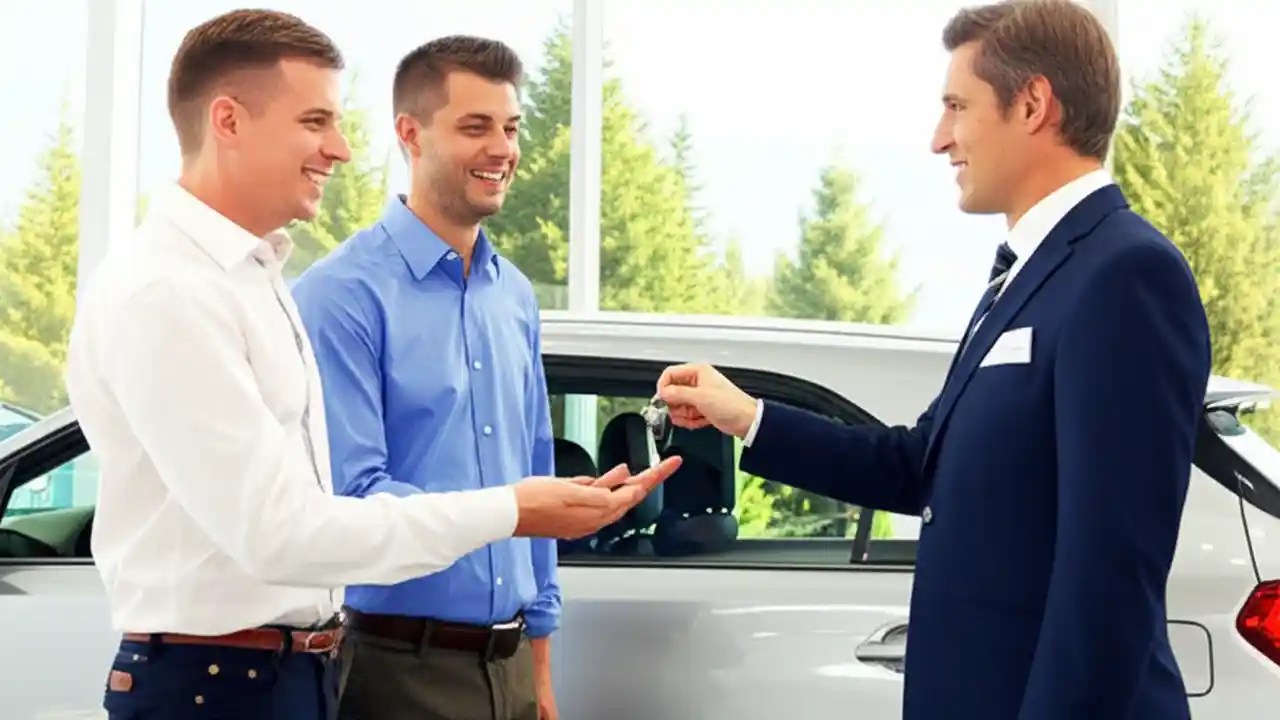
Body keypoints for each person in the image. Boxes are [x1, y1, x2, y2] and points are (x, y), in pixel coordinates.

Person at [64, 12, 679, 720]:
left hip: (294, 671)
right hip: (243, 678)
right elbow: (286, 528)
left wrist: (534, 622)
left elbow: (306, 507)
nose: (342, 148)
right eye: (315, 121)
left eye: (511, 127)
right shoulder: (177, 293)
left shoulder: (256, 277)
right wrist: (511, 509)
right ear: (227, 121)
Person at [655, 2, 1211, 718]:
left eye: (957, 106)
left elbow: (1108, 579)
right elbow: (921, 463)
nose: (938, 139)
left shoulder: (1126, 275)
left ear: (1032, 104)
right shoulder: (1028, 274)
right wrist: (748, 417)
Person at [290, 36, 572, 720]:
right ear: (410, 135)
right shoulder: (341, 295)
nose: (502, 149)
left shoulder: (515, 296)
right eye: (476, 127)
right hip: (394, 670)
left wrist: (538, 669)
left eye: (511, 128)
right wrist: (506, 510)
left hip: (510, 668)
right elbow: (354, 496)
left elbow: (534, 468)